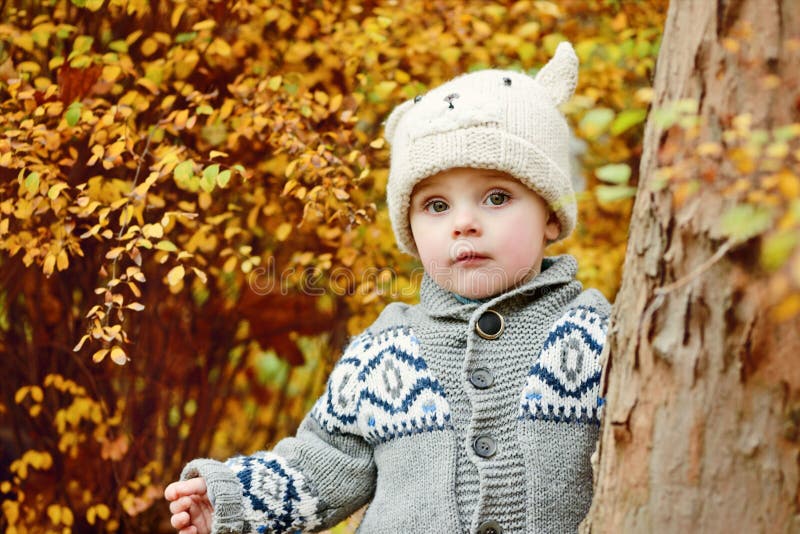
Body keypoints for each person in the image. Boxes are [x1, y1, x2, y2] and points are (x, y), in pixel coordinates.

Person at [165, 41, 610, 534]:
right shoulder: (386, 350)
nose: (463, 223)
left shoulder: (597, 333)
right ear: (412, 232)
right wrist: (234, 501)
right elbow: (323, 461)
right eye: (436, 206)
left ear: (550, 215)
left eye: (497, 197)